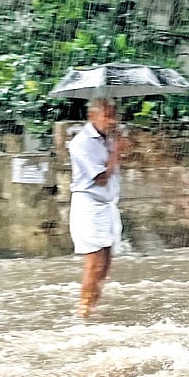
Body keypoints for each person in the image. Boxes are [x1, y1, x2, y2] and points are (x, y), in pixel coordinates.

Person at [68, 97, 124, 318]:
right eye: (107, 116)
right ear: (92, 116)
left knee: (106, 264)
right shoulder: (81, 143)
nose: (111, 121)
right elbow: (100, 177)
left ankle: (92, 308)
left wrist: (120, 147)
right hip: (88, 207)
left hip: (108, 205)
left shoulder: (108, 139)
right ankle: (83, 311)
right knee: (94, 264)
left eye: (114, 116)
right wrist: (116, 153)